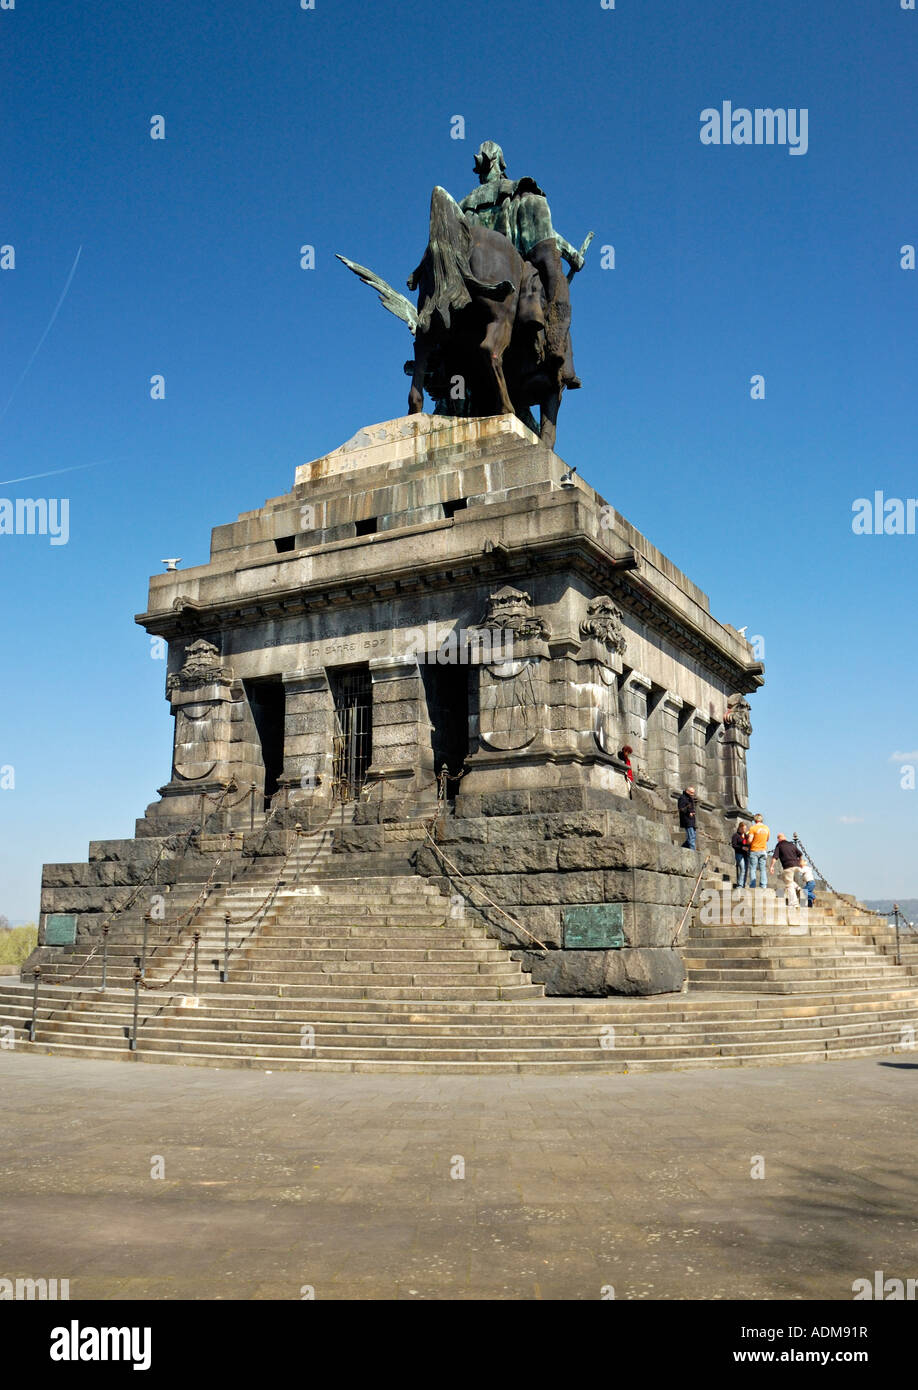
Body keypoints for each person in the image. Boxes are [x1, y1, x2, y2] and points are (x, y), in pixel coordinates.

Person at [770, 833, 804, 908]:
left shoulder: (779, 845)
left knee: (789, 885)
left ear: (778, 839)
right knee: (781, 876)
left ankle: (794, 903)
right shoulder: (791, 844)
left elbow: (775, 857)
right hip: (796, 866)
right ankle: (796, 886)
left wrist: (772, 866)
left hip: (788, 867)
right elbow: (800, 854)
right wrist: (801, 862)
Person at [747, 813, 770, 890]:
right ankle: (763, 885)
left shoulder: (753, 828)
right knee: (762, 869)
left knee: (753, 868)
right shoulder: (767, 828)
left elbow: (750, 840)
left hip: (755, 850)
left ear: (755, 820)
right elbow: (767, 839)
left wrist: (747, 841)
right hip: (763, 850)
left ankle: (753, 885)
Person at [731, 821, 751, 888]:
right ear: (740, 828)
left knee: (745, 869)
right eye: (743, 829)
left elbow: (749, 844)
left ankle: (743, 883)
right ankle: (740, 885)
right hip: (739, 853)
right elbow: (734, 845)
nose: (744, 830)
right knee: (742, 868)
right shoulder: (736, 835)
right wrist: (742, 847)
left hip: (746, 854)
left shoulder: (746, 836)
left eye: (745, 829)